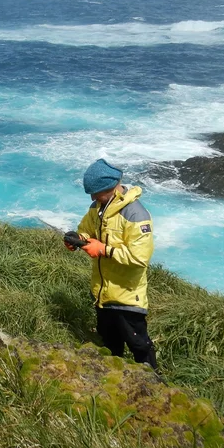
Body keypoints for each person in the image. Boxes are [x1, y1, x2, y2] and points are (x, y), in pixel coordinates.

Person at [65, 158, 158, 371]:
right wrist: (78, 239)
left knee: (139, 346)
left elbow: (140, 258)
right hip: (103, 294)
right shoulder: (97, 207)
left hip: (127, 297)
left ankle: (154, 381)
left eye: (96, 193)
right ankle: (115, 379)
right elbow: (86, 229)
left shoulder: (136, 215)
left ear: (111, 187)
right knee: (109, 344)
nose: (92, 198)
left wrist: (103, 250)